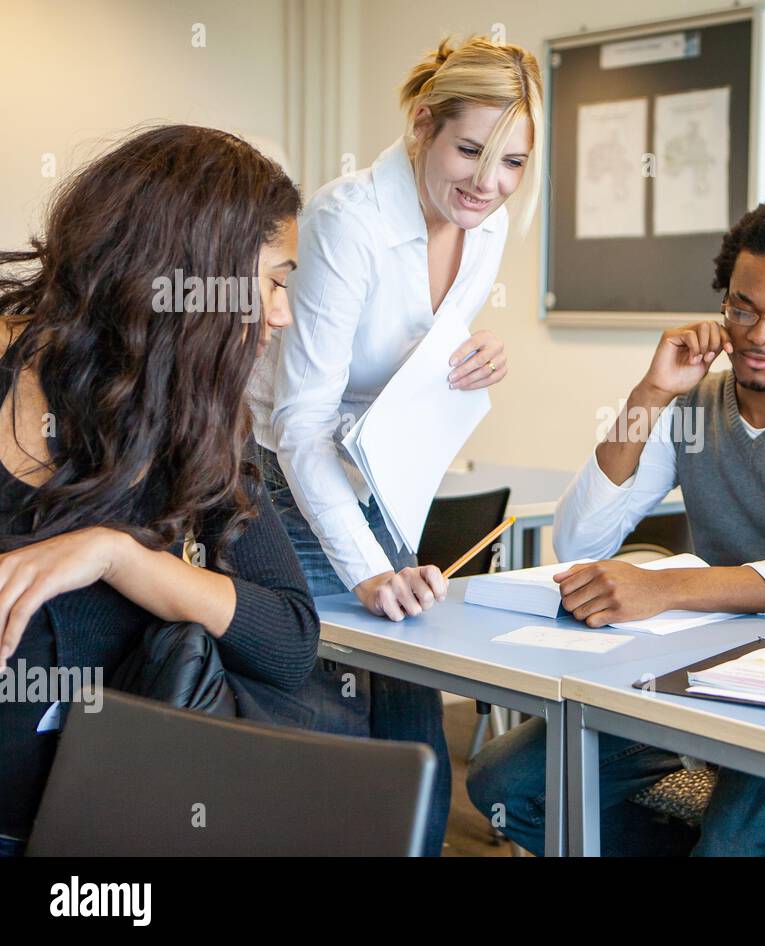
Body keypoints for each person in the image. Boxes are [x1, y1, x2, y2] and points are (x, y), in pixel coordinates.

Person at [467, 196, 765, 856]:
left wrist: (670, 589)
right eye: (742, 309)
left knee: (735, 844)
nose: (759, 335)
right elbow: (582, 539)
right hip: (695, 668)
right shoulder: (693, 403)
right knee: (507, 785)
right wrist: (651, 395)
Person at [247, 35, 544, 855]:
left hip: (375, 472)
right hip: (282, 471)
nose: (488, 184)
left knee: (411, 703)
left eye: (513, 162)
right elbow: (301, 424)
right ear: (423, 124)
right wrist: (368, 568)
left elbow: (412, 359)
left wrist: (477, 353)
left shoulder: (487, 226)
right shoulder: (348, 222)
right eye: (470, 150)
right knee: (332, 702)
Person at [0, 124, 317, 856]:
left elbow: (288, 639)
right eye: (272, 281)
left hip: (101, 833)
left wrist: (118, 556)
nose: (282, 312)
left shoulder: (196, 418)